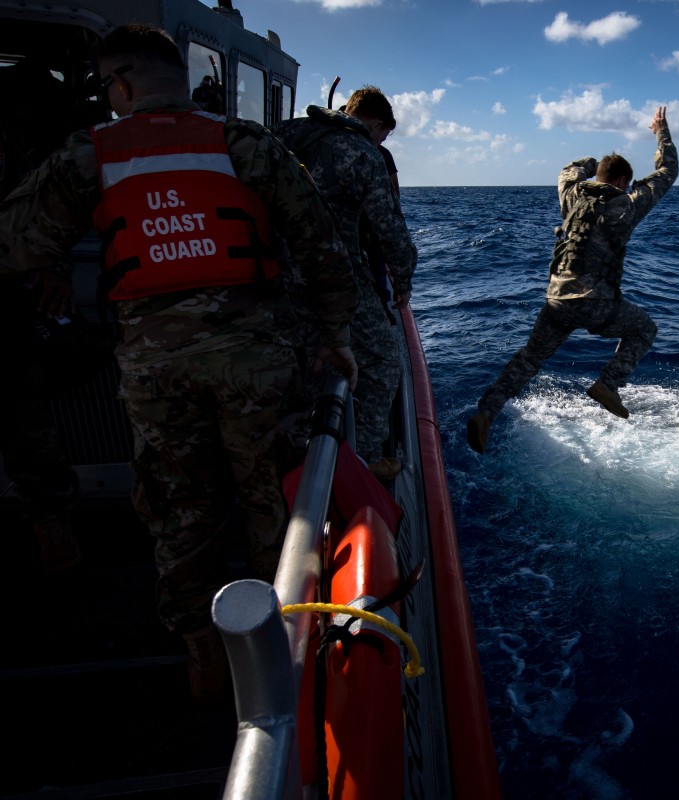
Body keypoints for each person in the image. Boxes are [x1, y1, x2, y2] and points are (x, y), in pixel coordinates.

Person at [0, 23, 360, 703]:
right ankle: (287, 656)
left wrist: (48, 273)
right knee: (270, 502)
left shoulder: (89, 153)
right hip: (255, 364)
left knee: (179, 507)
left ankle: (201, 653)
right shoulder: (246, 144)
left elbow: (16, 244)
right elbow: (322, 248)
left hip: (153, 370)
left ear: (122, 82)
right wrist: (335, 334)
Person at [467, 106, 678, 454]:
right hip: (598, 305)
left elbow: (568, 169)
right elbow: (668, 170)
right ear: (624, 181)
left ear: (597, 176)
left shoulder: (571, 195)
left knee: (529, 359)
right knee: (644, 329)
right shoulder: (626, 204)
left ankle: (486, 412)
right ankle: (608, 384)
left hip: (557, 301)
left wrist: (591, 162)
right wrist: (660, 131)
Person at [274, 86, 418, 478]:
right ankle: (359, 464)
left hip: (272, 284)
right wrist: (403, 278)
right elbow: (388, 227)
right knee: (385, 365)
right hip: (334, 280)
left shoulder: (283, 135)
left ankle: (293, 460)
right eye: (383, 135)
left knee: (300, 371)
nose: (380, 143)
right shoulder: (359, 150)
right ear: (373, 123)